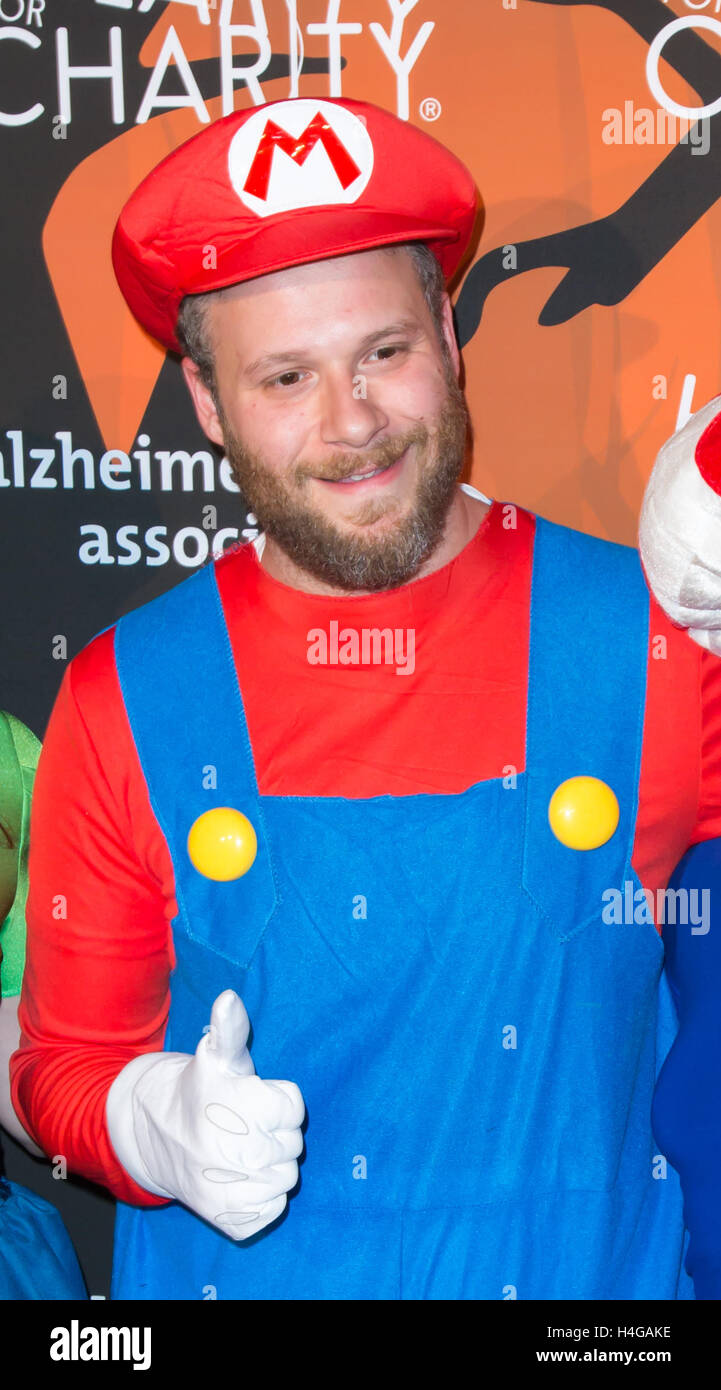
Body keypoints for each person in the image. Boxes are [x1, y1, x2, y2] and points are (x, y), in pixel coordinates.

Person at [9, 95, 721, 1300]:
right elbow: (61, 1062)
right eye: (285, 376)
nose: (352, 425)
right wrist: (139, 1121)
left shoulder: (658, 639)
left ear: (449, 335)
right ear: (206, 400)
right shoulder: (124, 694)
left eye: (382, 352)